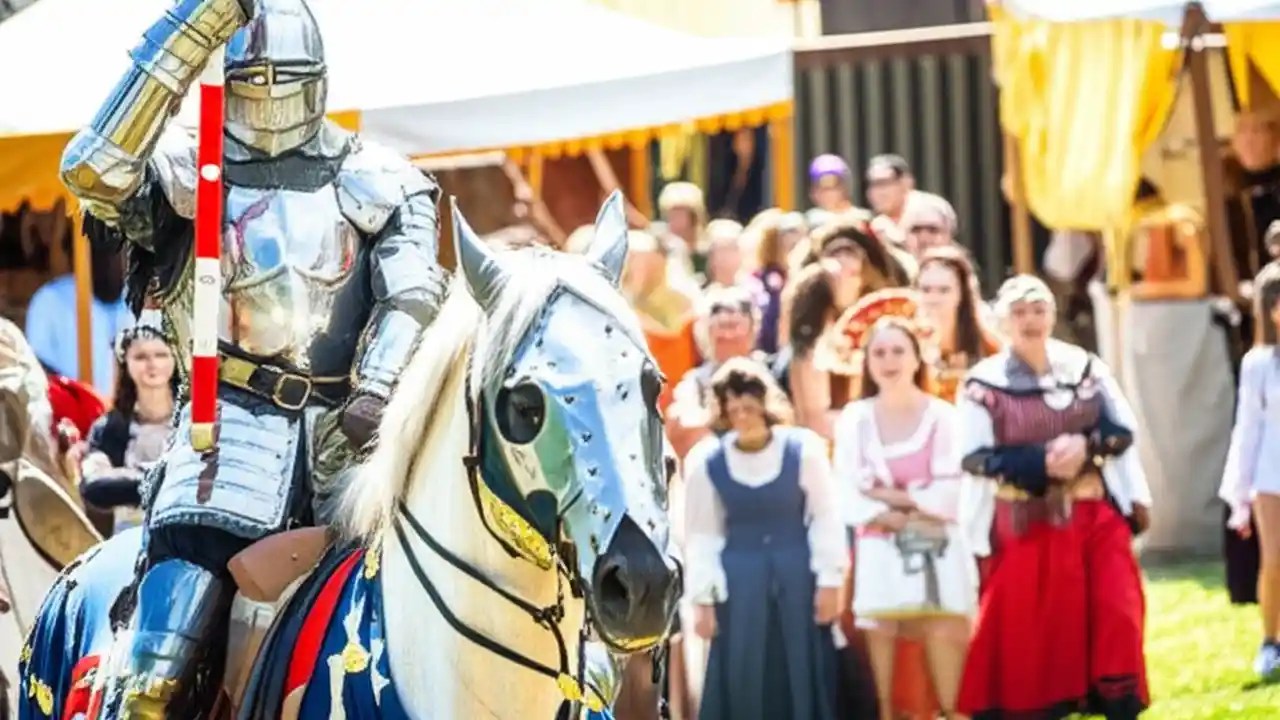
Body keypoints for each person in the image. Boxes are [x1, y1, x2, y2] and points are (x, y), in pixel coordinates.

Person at [59, 0, 448, 713]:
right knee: (153, 681)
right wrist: (192, 25)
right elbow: (93, 171)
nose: (268, 99)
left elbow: (414, 295)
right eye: (254, 81)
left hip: (362, 450)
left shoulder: (381, 179)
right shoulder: (189, 169)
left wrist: (381, 387)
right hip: (223, 451)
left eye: (284, 80)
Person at [956, 275, 1151, 720]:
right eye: (1019, 312)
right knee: (1035, 626)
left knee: (1116, 608)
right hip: (1027, 518)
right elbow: (973, 457)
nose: (1030, 320)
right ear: (1002, 321)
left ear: (1053, 315)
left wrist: (1087, 446)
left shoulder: (1085, 368)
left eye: (1039, 309)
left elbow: (1122, 429)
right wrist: (1039, 461)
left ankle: (1117, 701)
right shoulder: (984, 383)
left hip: (1094, 514)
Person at [685, 357, 847, 720]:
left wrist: (831, 579)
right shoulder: (707, 462)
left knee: (801, 664)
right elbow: (703, 536)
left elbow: (825, 515)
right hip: (739, 586)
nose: (743, 416)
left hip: (797, 577)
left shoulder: (802, 449)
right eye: (734, 408)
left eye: (750, 407)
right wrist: (703, 600)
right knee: (744, 668)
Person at [834, 316, 975, 720]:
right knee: (881, 632)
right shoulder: (855, 419)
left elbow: (952, 490)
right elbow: (845, 489)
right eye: (879, 352)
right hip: (878, 549)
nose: (889, 360)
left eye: (898, 350)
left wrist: (892, 494)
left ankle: (951, 711)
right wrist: (884, 513)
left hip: (941, 551)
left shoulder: (944, 417)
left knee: (944, 629)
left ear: (917, 358)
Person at [1221, 262, 1280, 679]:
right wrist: (1239, 498)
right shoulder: (1258, 363)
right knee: (1274, 558)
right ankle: (1270, 641)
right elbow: (1247, 428)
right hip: (1270, 474)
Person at [74, 326, 178, 536]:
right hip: (131, 540)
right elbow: (95, 485)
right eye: (141, 357)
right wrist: (164, 482)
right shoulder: (110, 429)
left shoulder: (195, 421)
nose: (153, 364)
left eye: (161, 355)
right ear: (125, 363)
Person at [914, 247, 1003, 402]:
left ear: (962, 293)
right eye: (926, 290)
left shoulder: (990, 347)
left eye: (944, 290)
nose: (933, 298)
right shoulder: (908, 343)